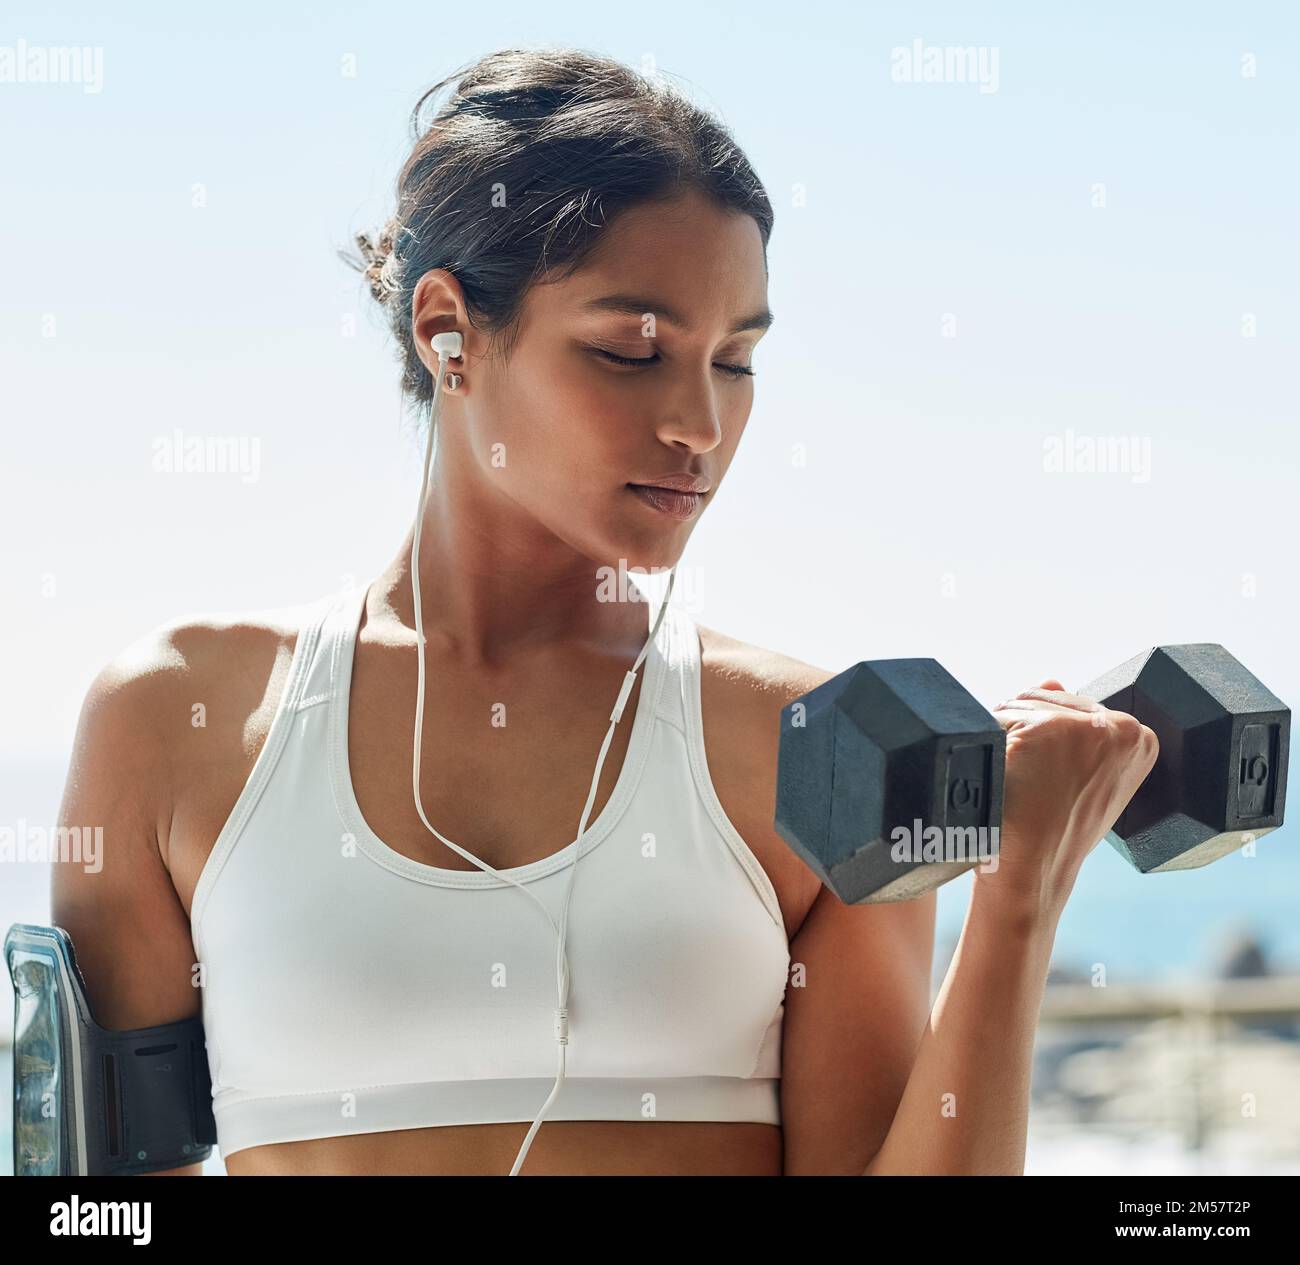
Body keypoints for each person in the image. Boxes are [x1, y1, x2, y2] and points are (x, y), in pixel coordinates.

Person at [50, 46, 1157, 1177]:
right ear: (448, 331)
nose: (699, 423)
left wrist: (1019, 895)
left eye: (735, 361)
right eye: (632, 349)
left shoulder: (824, 746)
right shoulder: (173, 716)